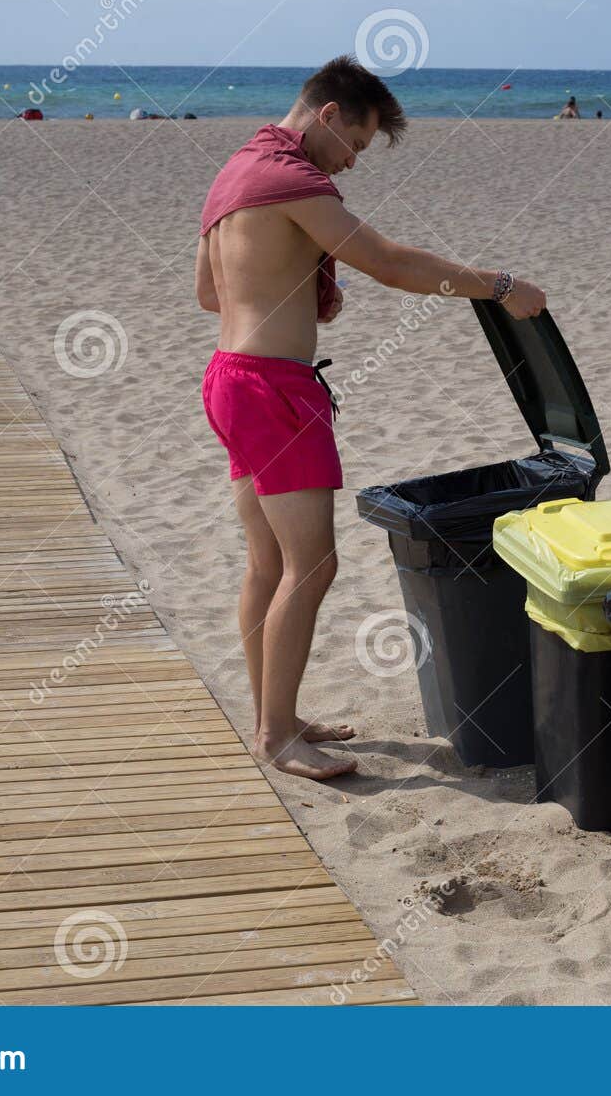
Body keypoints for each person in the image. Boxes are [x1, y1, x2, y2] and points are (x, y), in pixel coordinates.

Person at [196, 55, 545, 781]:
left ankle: (276, 717)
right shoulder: (295, 177)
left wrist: (291, 284)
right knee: (312, 564)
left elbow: (209, 292)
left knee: (268, 563)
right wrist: (497, 285)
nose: (351, 165)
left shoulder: (236, 173)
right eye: (354, 145)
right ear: (327, 115)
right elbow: (387, 262)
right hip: (273, 391)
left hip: (230, 377)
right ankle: (275, 739)